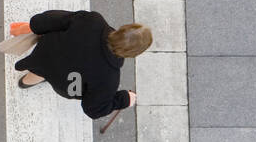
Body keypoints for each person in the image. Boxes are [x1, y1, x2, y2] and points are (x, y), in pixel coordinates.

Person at [10, 10, 152, 120]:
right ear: (131, 54)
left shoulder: (93, 21)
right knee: (57, 75)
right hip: (66, 83)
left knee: (42, 68)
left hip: (47, 55)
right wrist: (124, 99)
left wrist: (35, 25)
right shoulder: (109, 78)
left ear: (123, 28)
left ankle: (25, 82)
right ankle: (27, 82)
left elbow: (53, 19)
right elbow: (94, 109)